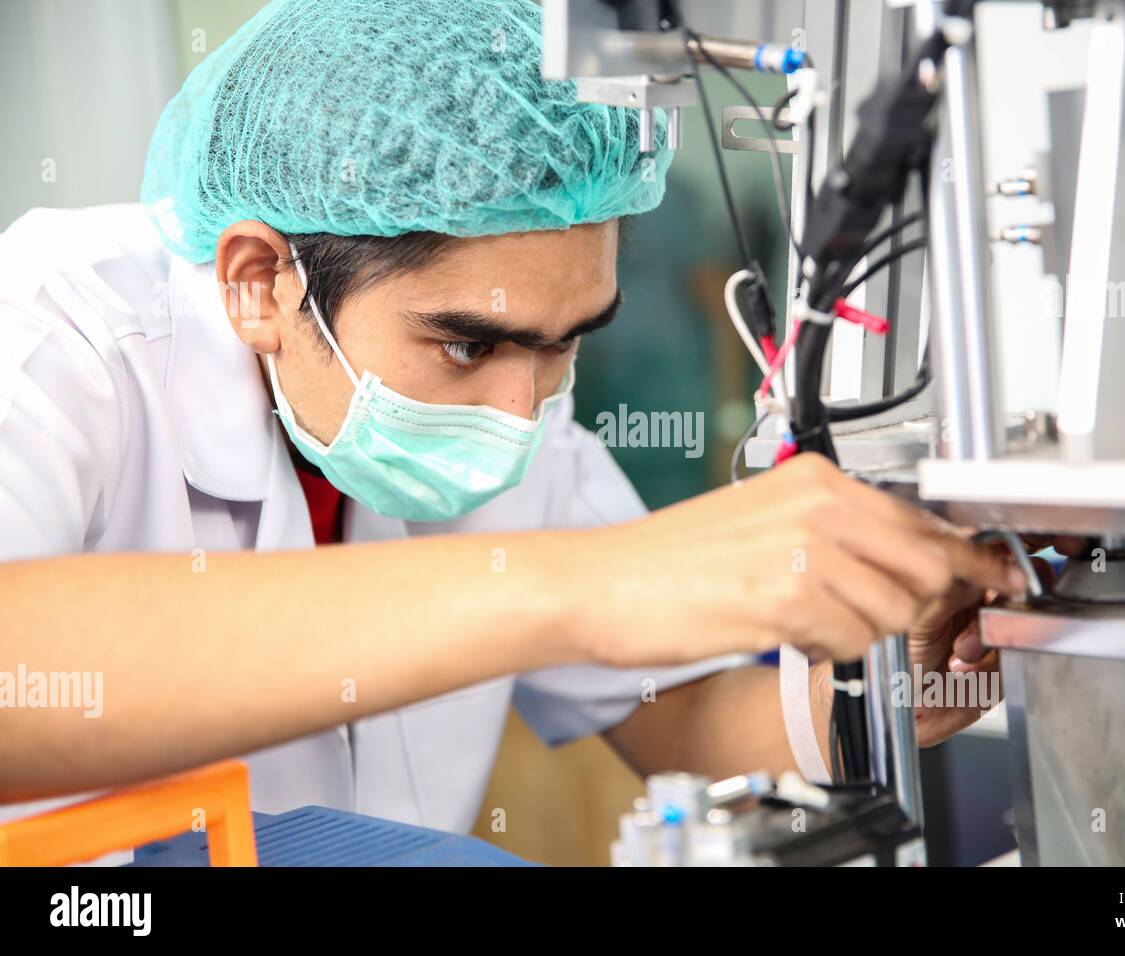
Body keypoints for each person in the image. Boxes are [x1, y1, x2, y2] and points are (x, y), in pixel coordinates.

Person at [0, 0, 1022, 828]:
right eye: (467, 343)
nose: (520, 408)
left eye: (567, 338)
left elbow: (661, 705)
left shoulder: (514, 403)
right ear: (263, 282)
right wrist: (581, 584)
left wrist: (891, 698)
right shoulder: (58, 339)